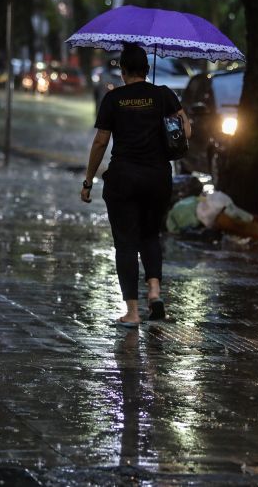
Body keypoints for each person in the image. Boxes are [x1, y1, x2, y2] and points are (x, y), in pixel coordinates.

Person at [81, 43, 191, 327]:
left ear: (123, 70)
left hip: (124, 180)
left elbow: (101, 142)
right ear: (148, 69)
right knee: (151, 235)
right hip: (158, 179)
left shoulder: (114, 99)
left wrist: (88, 180)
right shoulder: (164, 94)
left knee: (126, 244)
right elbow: (185, 131)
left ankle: (132, 312)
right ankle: (155, 294)